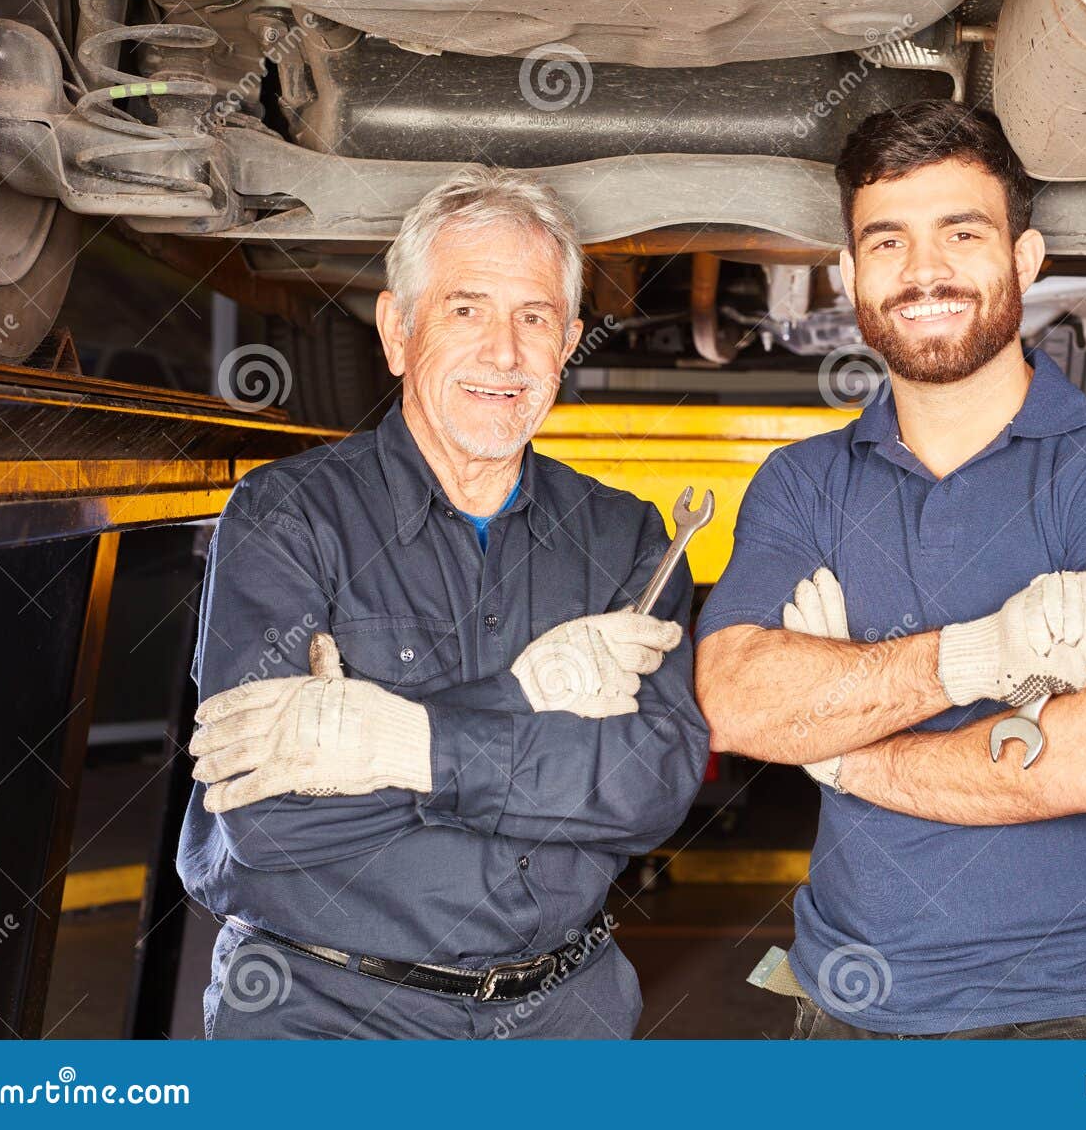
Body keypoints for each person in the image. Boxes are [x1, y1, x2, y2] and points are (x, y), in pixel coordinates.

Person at [694, 100, 1086, 1039]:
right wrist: (980, 658)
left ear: (1024, 257)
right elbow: (734, 701)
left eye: (961, 233)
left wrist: (840, 748)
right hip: (842, 1007)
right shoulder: (803, 482)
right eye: (887, 242)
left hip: (1066, 1016)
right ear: (848, 275)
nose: (924, 272)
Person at [178, 166, 708, 1039]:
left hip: (564, 1021)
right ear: (396, 331)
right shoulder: (290, 519)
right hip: (327, 1018)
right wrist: (524, 702)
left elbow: (650, 785)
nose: (504, 353)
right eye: (466, 309)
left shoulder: (627, 539)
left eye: (534, 318)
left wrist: (396, 738)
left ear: (567, 340)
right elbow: (270, 820)